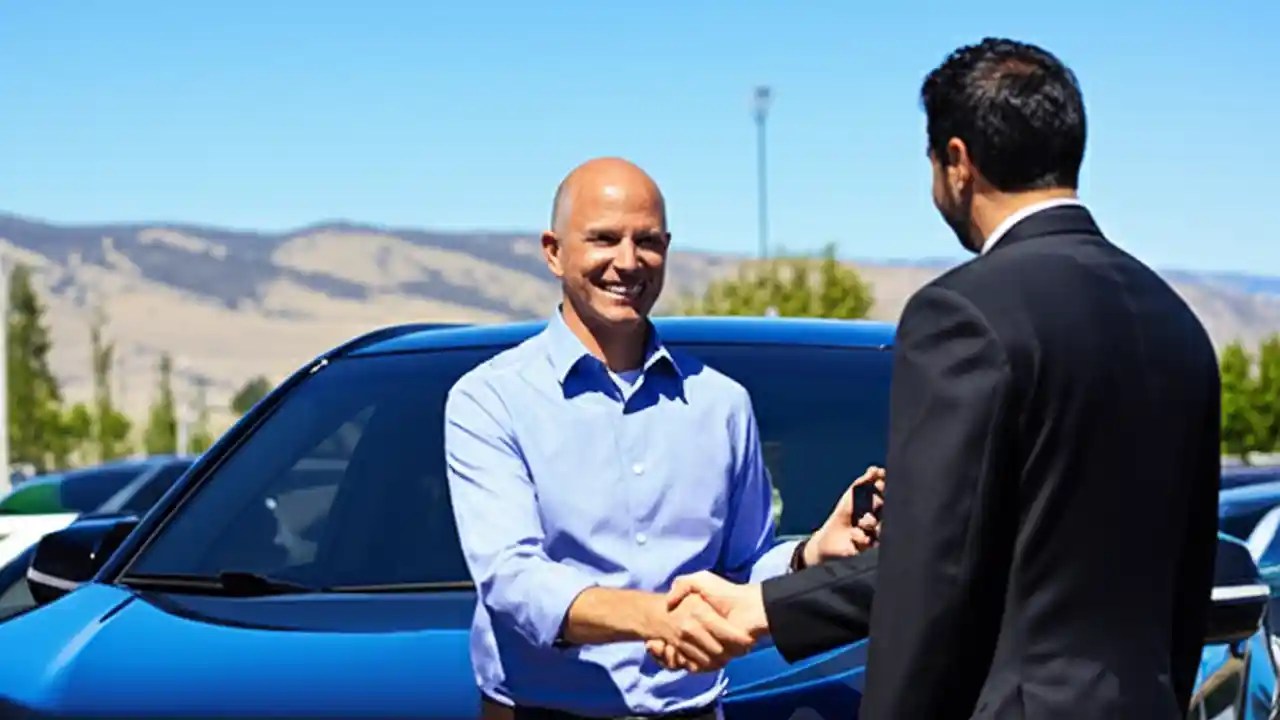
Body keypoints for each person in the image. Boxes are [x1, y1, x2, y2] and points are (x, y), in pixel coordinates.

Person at [662, 37, 1222, 719]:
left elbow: (937, 571)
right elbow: (1183, 575)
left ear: (957, 162)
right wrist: (769, 605)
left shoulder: (964, 313)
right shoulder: (1178, 325)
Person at [443, 156, 880, 719]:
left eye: (647, 241)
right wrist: (655, 617)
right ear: (553, 251)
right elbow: (512, 578)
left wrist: (809, 554)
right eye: (604, 239)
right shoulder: (491, 399)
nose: (627, 262)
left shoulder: (721, 404)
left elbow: (740, 570)